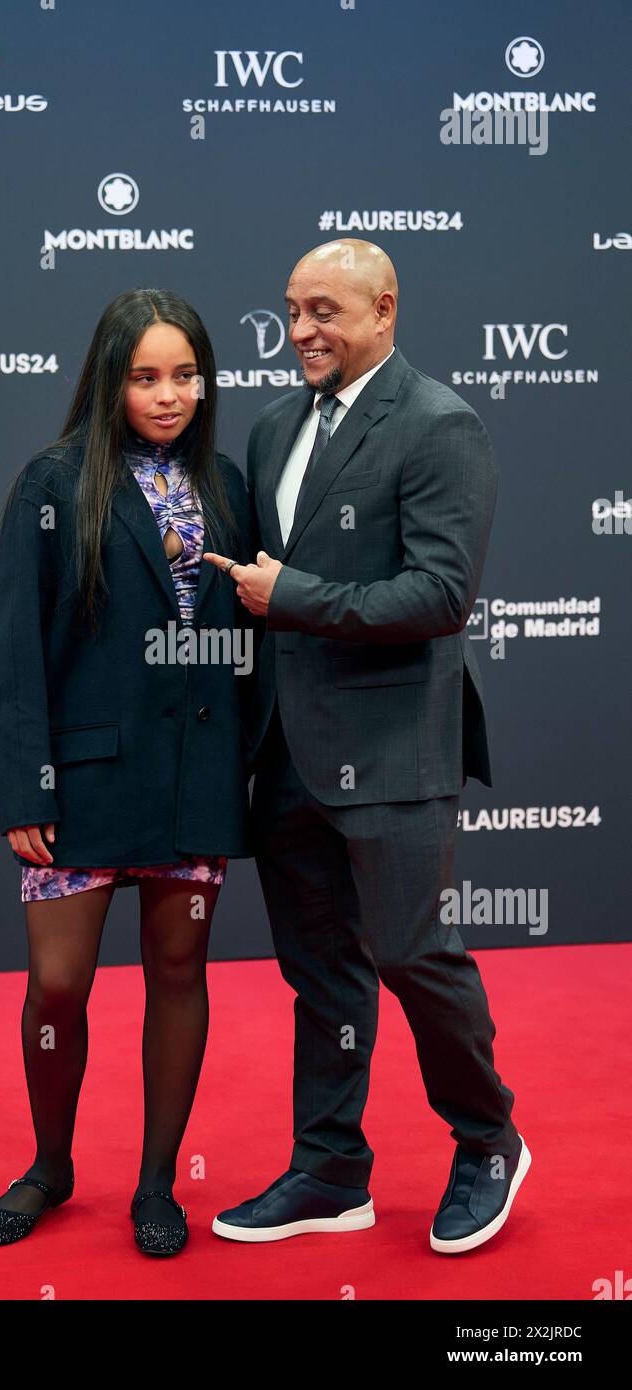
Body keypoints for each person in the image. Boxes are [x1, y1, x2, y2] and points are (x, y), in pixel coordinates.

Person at [205, 239, 529, 1254]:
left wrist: (289, 597)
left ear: (383, 308)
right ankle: (329, 1169)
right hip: (286, 748)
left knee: (407, 950)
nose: (300, 331)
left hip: (392, 739)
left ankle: (486, 1139)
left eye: (323, 311)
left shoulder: (438, 423)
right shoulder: (269, 428)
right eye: (291, 311)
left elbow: (439, 594)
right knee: (320, 973)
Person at [0, 288, 257, 1256]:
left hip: (193, 780)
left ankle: (154, 1184)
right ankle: (51, 1166)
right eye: (145, 376)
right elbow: (13, 650)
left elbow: (246, 635)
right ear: (109, 378)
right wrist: (25, 787)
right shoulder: (51, 483)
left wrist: (246, 772)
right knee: (57, 985)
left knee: (177, 971)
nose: (168, 393)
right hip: (85, 779)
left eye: (185, 374)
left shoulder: (224, 480)